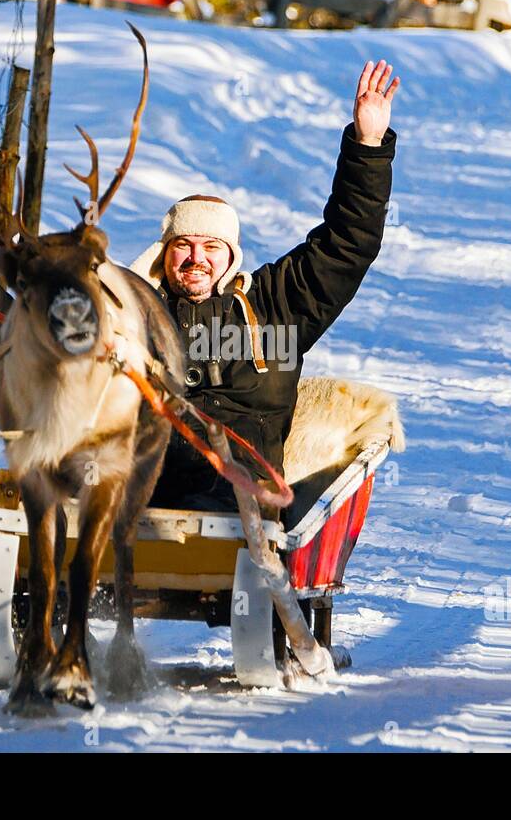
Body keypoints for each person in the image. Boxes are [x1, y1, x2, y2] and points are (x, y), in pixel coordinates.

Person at [129, 59, 400, 511]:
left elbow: (347, 244)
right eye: (183, 245)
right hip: (142, 484)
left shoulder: (276, 305)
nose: (197, 258)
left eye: (211, 246)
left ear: (231, 255)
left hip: (239, 496)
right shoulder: (133, 311)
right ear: (164, 252)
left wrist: (367, 146)